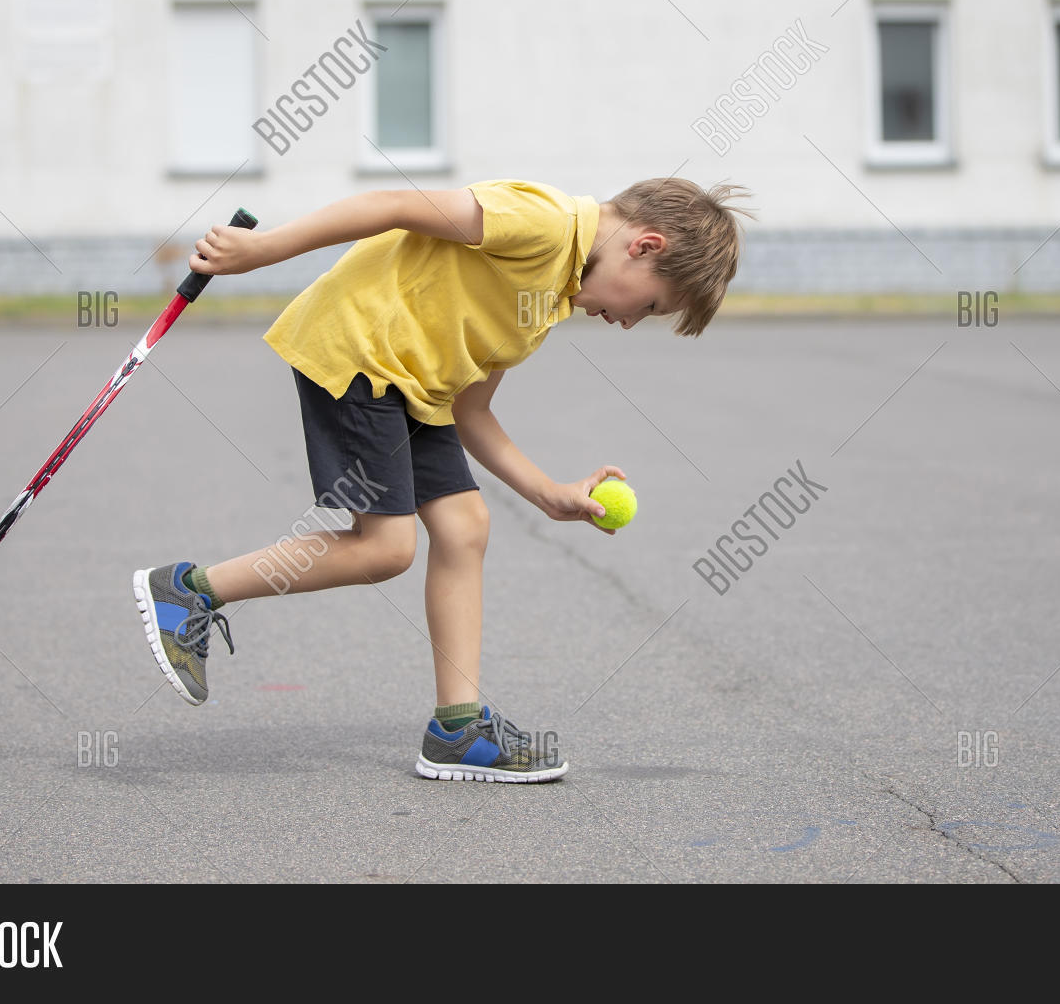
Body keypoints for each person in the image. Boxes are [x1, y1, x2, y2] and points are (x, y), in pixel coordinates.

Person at [131, 177, 753, 782]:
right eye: (648, 305)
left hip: (415, 389)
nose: (630, 321)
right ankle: (191, 589)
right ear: (645, 246)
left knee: (465, 526)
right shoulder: (542, 223)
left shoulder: (552, 296)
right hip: (360, 353)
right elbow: (394, 203)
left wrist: (549, 493)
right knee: (387, 547)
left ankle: (458, 729)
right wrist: (263, 250)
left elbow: (471, 410)